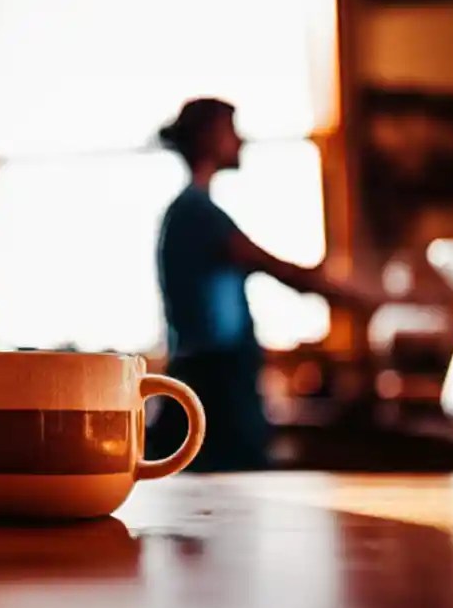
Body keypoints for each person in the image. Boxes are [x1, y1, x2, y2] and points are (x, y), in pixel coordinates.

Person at [150, 98, 378, 472]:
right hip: (215, 386)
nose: (240, 141)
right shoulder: (197, 214)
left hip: (213, 378)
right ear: (209, 138)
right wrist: (358, 298)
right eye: (231, 131)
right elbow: (277, 268)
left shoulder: (192, 212)